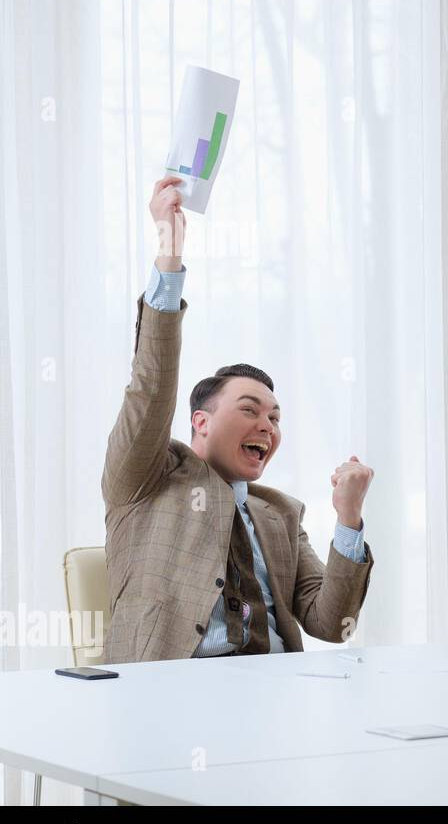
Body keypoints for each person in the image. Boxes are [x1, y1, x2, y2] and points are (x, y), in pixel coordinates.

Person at [102, 176, 376, 662]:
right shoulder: (145, 478)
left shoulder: (282, 514)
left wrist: (348, 518)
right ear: (201, 422)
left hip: (275, 694)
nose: (267, 426)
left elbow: (330, 624)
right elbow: (151, 385)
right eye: (249, 410)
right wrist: (169, 251)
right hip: (167, 697)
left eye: (275, 417)